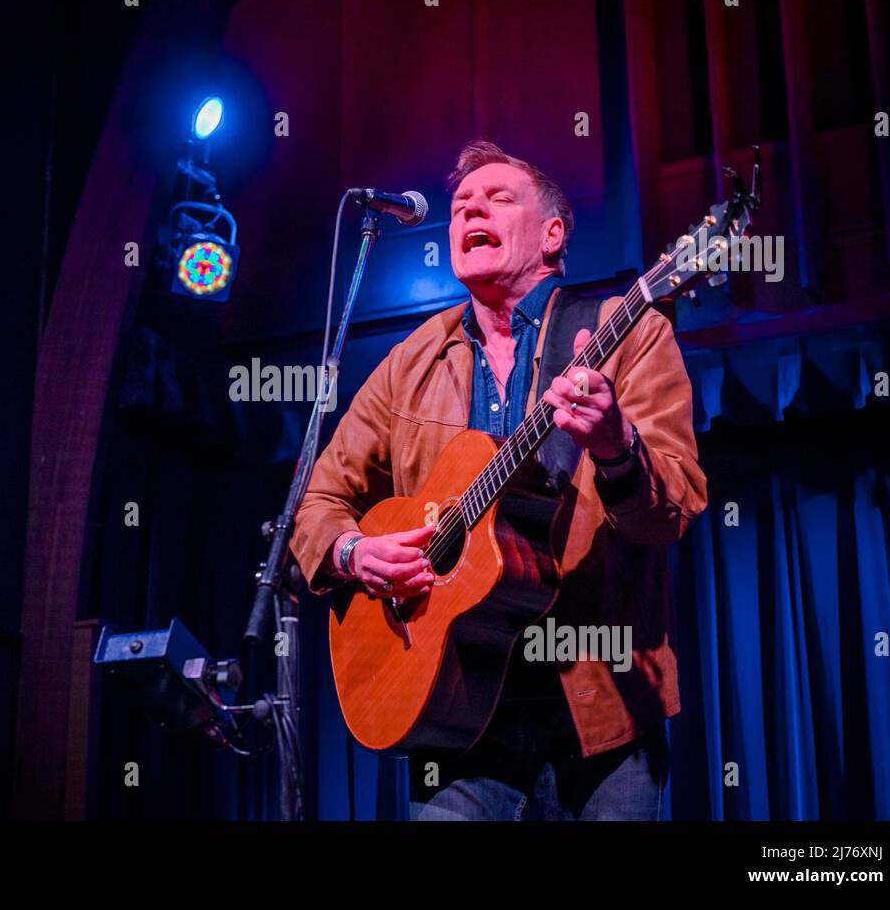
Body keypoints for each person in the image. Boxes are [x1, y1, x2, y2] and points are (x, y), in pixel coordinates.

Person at [289, 140, 707, 820]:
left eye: (497, 198)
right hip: (455, 721)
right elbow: (316, 501)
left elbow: (676, 508)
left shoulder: (627, 333)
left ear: (553, 234)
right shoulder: (410, 361)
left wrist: (615, 446)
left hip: (598, 725)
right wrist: (354, 553)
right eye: (459, 206)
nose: (470, 209)